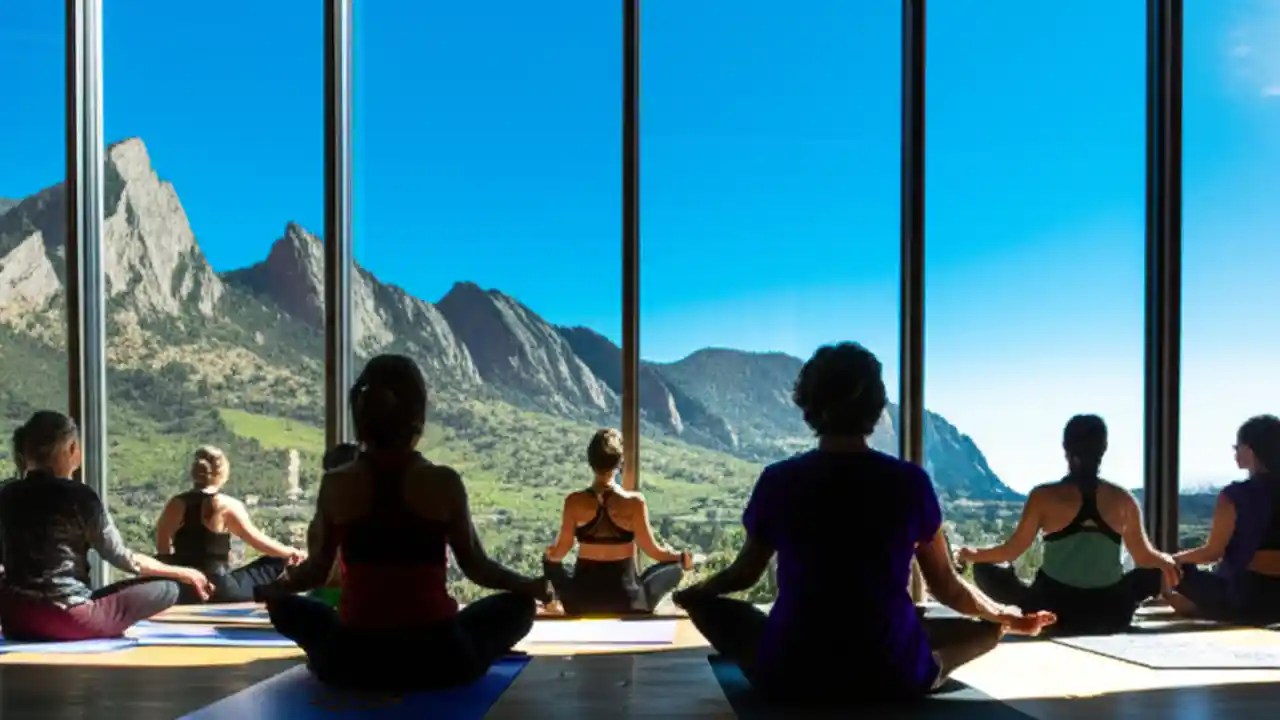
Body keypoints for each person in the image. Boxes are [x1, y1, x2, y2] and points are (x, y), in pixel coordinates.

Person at [674, 343, 1055, 705]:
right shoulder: (909, 482)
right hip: (889, 675)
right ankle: (935, 669)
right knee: (980, 628)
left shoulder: (779, 480)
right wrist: (1002, 616)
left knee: (716, 610)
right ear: (875, 408)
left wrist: (695, 593)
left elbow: (742, 575)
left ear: (809, 404)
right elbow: (948, 587)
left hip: (792, 674)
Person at [257, 355, 548, 691]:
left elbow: (316, 572)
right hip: (440, 658)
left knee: (287, 609)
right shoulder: (443, 482)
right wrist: (530, 586)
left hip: (352, 660)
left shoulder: (337, 483)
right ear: (418, 416)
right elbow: (478, 568)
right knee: (518, 608)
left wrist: (275, 589)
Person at [0, 411, 213, 641]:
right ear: (72, 449)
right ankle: (98, 624)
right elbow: (123, 559)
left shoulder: (6, 494)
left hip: (15, 620)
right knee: (166, 588)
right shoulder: (80, 497)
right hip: (70, 618)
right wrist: (183, 573)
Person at [957, 415, 1179, 635]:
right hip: (1112, 613)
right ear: (1104, 448)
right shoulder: (1124, 500)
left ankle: (1032, 614)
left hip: (1053, 612)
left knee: (984, 568)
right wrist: (1169, 562)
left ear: (1065, 447)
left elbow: (1012, 550)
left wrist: (972, 555)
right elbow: (1144, 557)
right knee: (1152, 573)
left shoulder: (1043, 496)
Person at [543, 429, 692, 615]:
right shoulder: (635, 503)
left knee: (550, 562)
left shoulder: (573, 502)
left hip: (581, 602)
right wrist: (680, 558)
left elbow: (560, 552)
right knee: (674, 568)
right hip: (628, 602)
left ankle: (551, 601)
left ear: (590, 461)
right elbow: (654, 551)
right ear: (620, 462)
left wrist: (549, 555)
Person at [154, 445, 305, 604]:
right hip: (220, 588)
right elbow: (257, 541)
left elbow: (162, 547)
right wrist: (290, 552)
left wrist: (175, 576)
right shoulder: (227, 505)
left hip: (184, 587)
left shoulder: (176, 504)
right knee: (277, 562)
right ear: (222, 473)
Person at [1167, 415, 1280, 624]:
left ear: (1249, 450)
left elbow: (1212, 553)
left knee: (1168, 568)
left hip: (1243, 600)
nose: (1235, 452)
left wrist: (1172, 559)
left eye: (1237, 447)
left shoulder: (1235, 495)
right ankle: (1199, 607)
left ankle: (1195, 606)